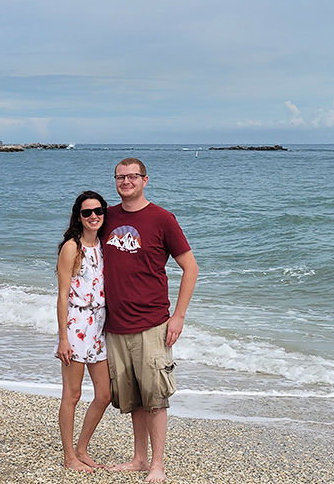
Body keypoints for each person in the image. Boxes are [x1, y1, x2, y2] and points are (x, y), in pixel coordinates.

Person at [102, 158, 198, 483]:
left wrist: (179, 316)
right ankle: (139, 459)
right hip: (114, 326)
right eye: (120, 177)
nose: (126, 181)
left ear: (145, 180)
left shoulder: (162, 219)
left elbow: (191, 268)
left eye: (132, 176)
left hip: (153, 324)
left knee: (155, 396)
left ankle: (157, 464)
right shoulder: (107, 218)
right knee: (132, 398)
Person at [55, 191, 112, 473]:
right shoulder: (71, 248)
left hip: (100, 325)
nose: (94, 216)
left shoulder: (105, 245)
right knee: (72, 394)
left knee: (105, 394)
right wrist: (63, 337)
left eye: (98, 210)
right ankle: (69, 458)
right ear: (78, 216)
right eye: (87, 212)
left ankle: (82, 448)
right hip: (76, 325)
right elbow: (62, 295)